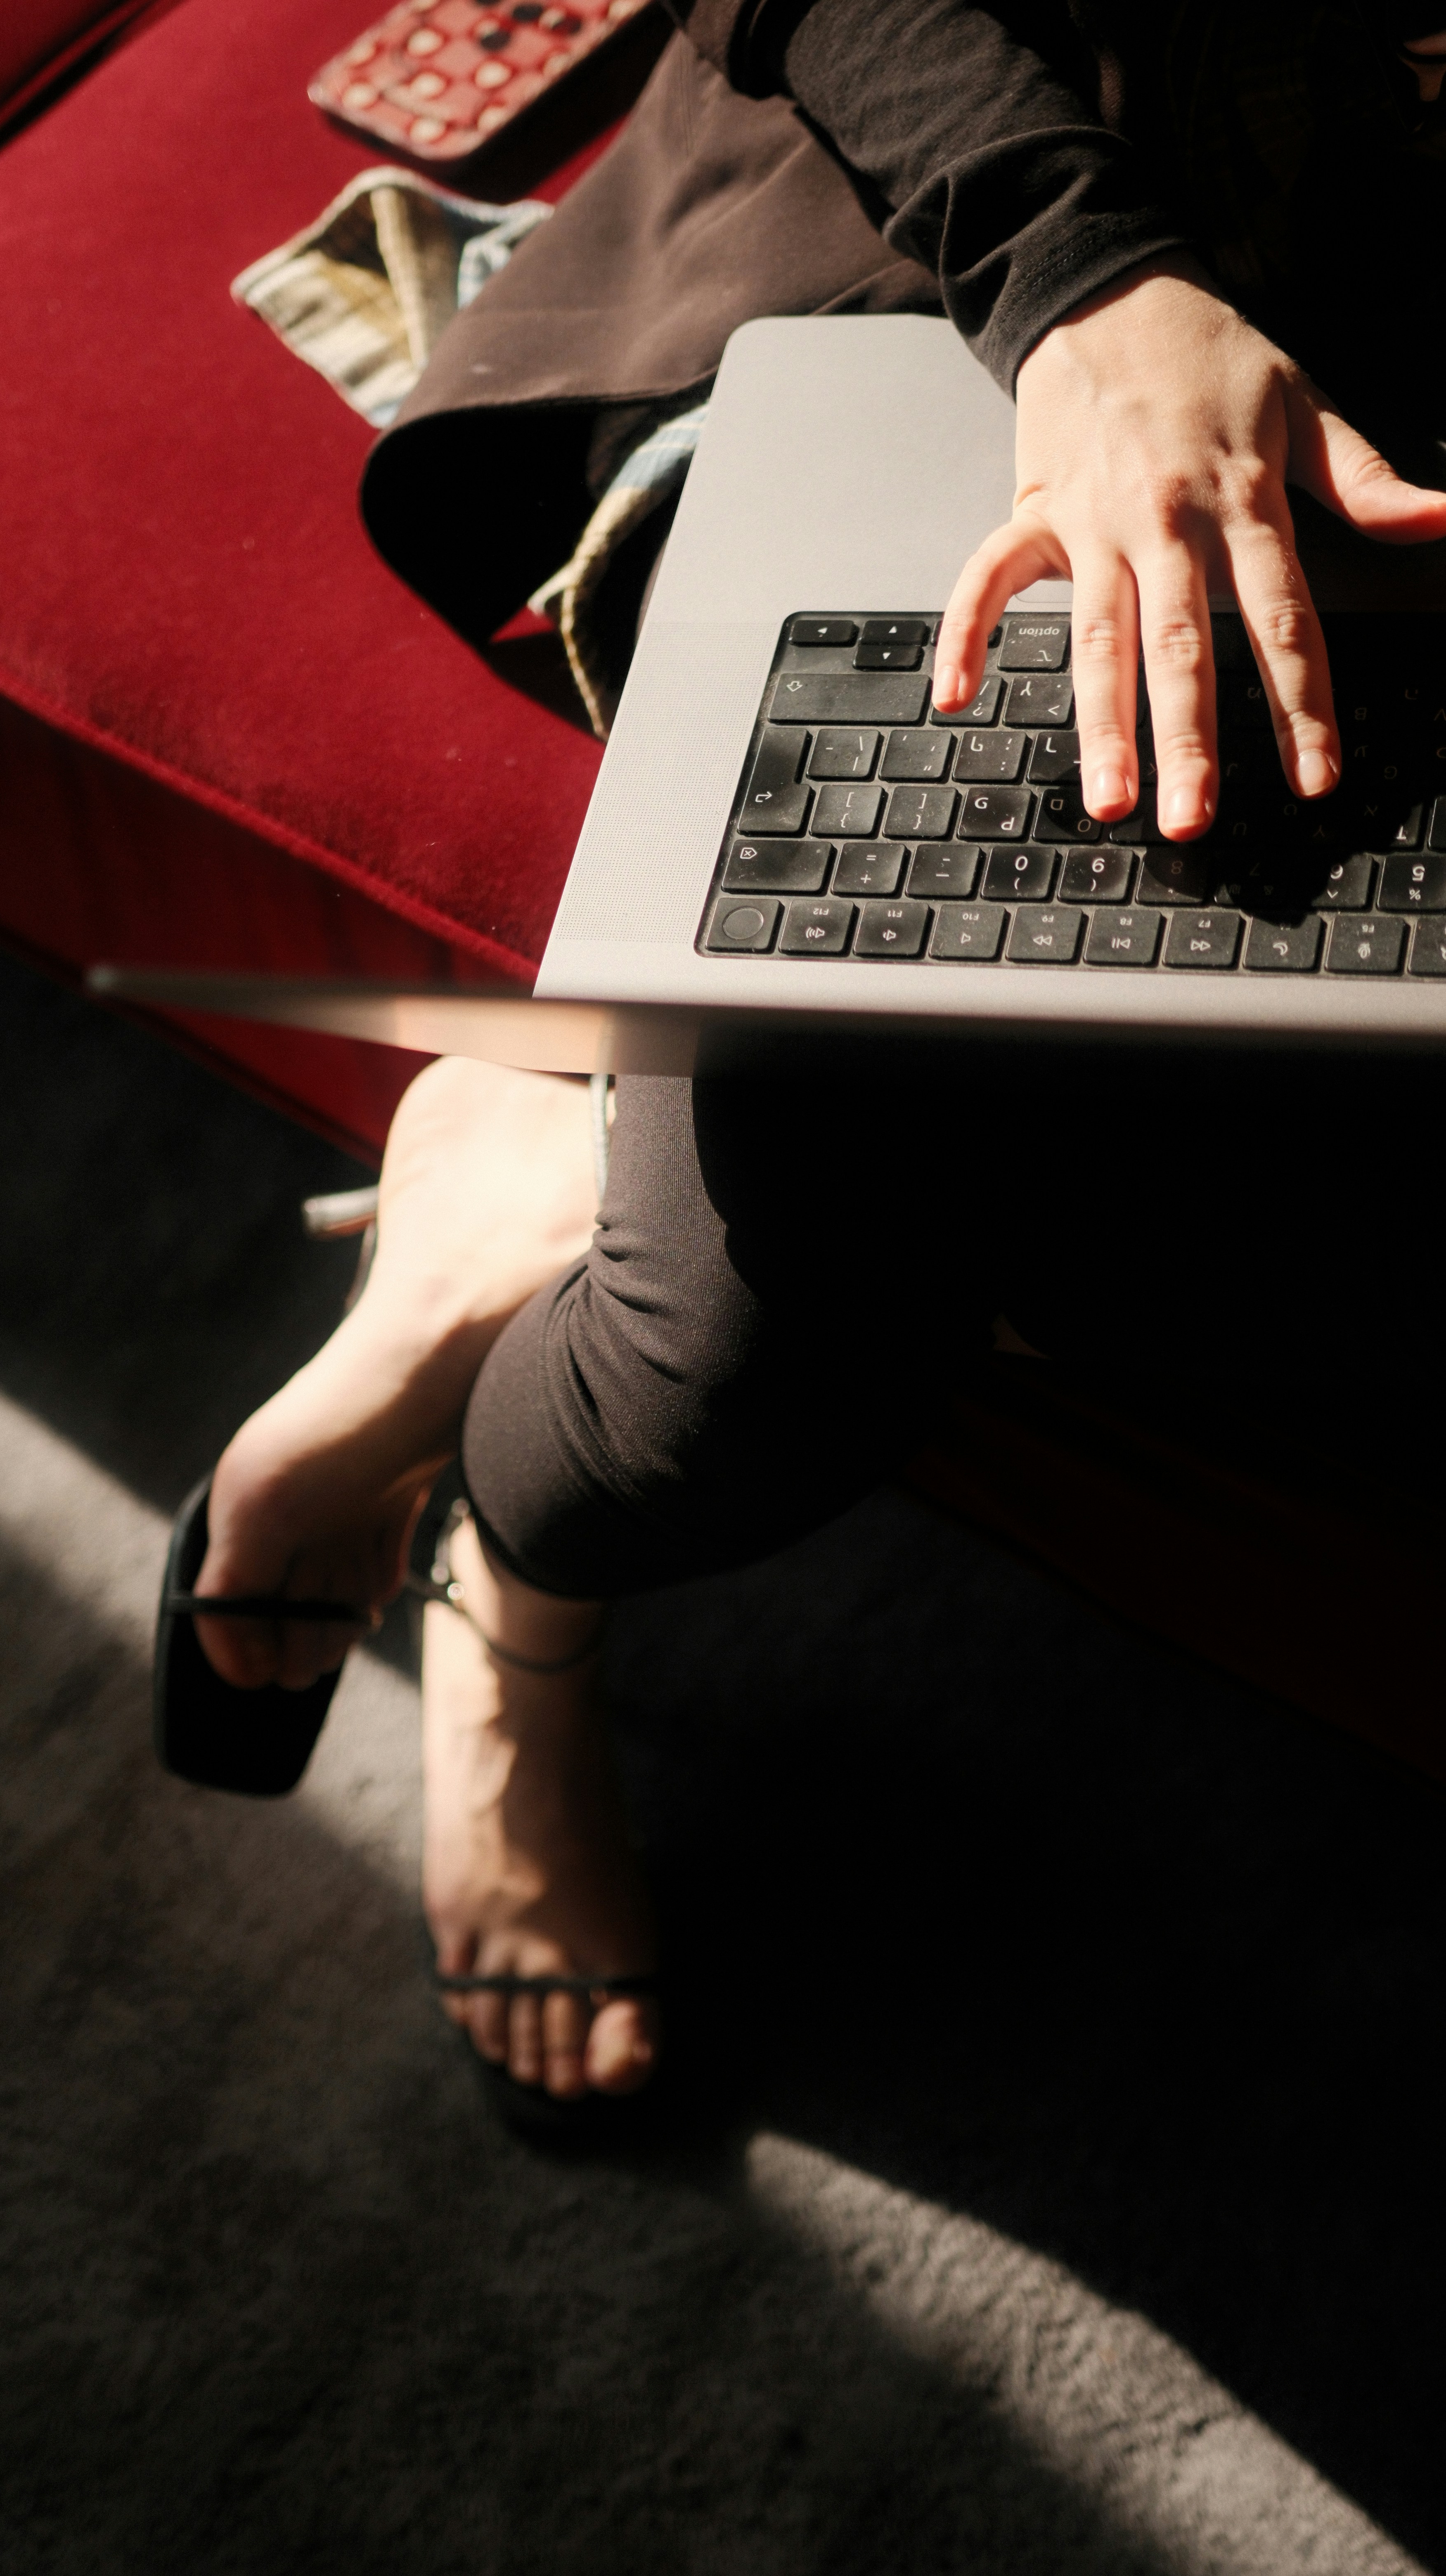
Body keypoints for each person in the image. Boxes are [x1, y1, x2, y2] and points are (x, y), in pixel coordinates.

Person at [196, 4, 1446, 2106]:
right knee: (752, 1356)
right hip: (948, 277)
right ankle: (513, 1614)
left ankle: (534, 1177)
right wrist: (1082, 276)